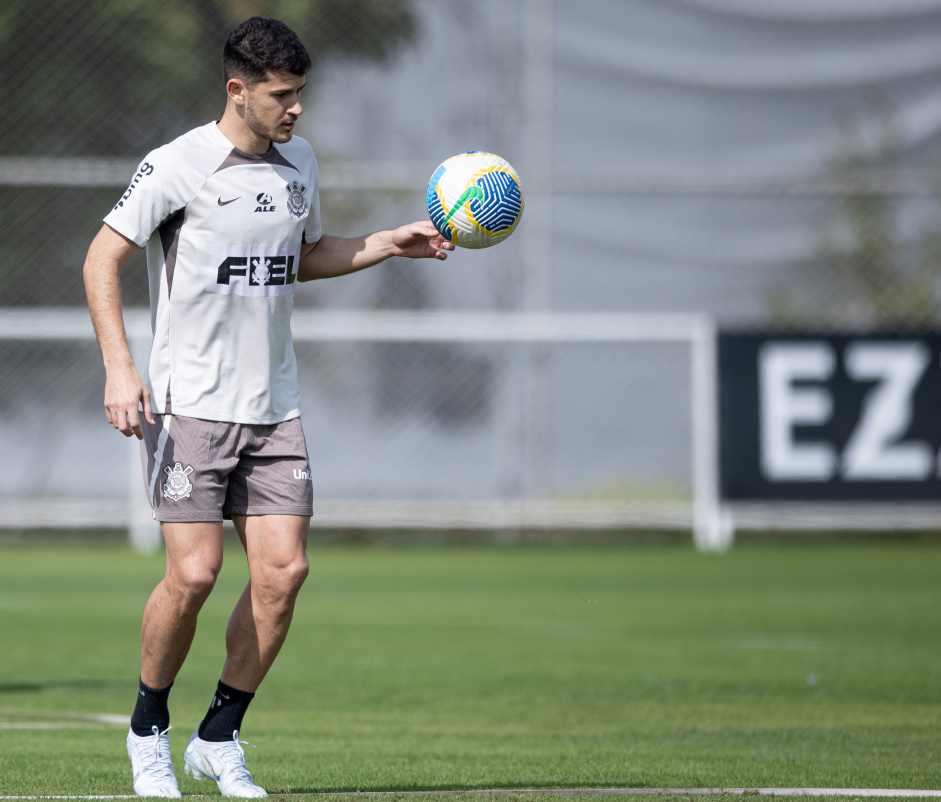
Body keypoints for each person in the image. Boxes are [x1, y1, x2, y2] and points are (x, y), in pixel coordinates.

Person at [83, 16, 452, 799]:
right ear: (236, 89)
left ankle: (218, 736)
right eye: (281, 96)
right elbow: (101, 256)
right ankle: (148, 728)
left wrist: (387, 241)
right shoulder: (178, 165)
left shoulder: (301, 164)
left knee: (284, 573)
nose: (296, 110)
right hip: (189, 407)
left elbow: (302, 255)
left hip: (274, 408)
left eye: (300, 95)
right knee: (194, 576)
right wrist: (120, 369)